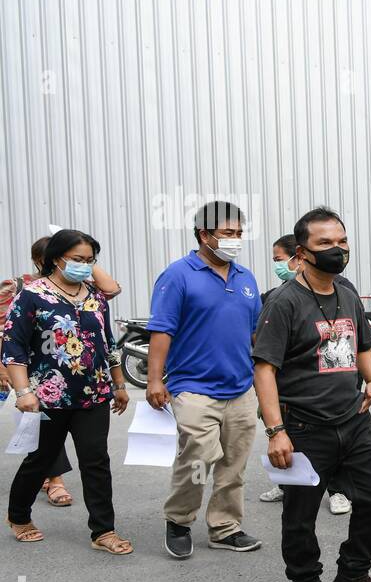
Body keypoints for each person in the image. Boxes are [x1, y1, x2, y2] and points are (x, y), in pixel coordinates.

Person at [252, 207, 371, 582]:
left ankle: (353, 575)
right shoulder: (283, 302)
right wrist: (276, 430)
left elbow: (360, 340)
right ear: (302, 252)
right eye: (325, 243)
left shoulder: (346, 292)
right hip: (304, 428)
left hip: (354, 421)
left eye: (342, 241)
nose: (337, 250)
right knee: (300, 516)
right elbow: (264, 370)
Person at [2, 229, 132, 553]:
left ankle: (103, 531)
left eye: (90, 260)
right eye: (77, 259)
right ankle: (18, 516)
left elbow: (107, 342)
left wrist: (118, 383)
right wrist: (23, 393)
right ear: (56, 259)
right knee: (41, 459)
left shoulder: (94, 296)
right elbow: (13, 346)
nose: (85, 266)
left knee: (96, 461)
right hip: (48, 397)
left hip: (94, 393)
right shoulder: (32, 295)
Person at [146, 201, 263, 559]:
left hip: (241, 388)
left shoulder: (245, 278)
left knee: (234, 463)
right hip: (194, 388)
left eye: (239, 233)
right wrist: (154, 380)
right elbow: (162, 331)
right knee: (197, 459)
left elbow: (256, 333)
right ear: (204, 235)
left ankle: (225, 527)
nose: (235, 240)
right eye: (228, 233)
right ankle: (179, 521)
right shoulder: (178, 275)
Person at [257, 234, 353, 516]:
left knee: (335, 443)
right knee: (286, 438)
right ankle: (288, 485)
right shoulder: (284, 295)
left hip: (330, 386)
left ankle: (337, 490)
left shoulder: (338, 289)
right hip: (290, 388)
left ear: (298, 257)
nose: (277, 265)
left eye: (278, 259)